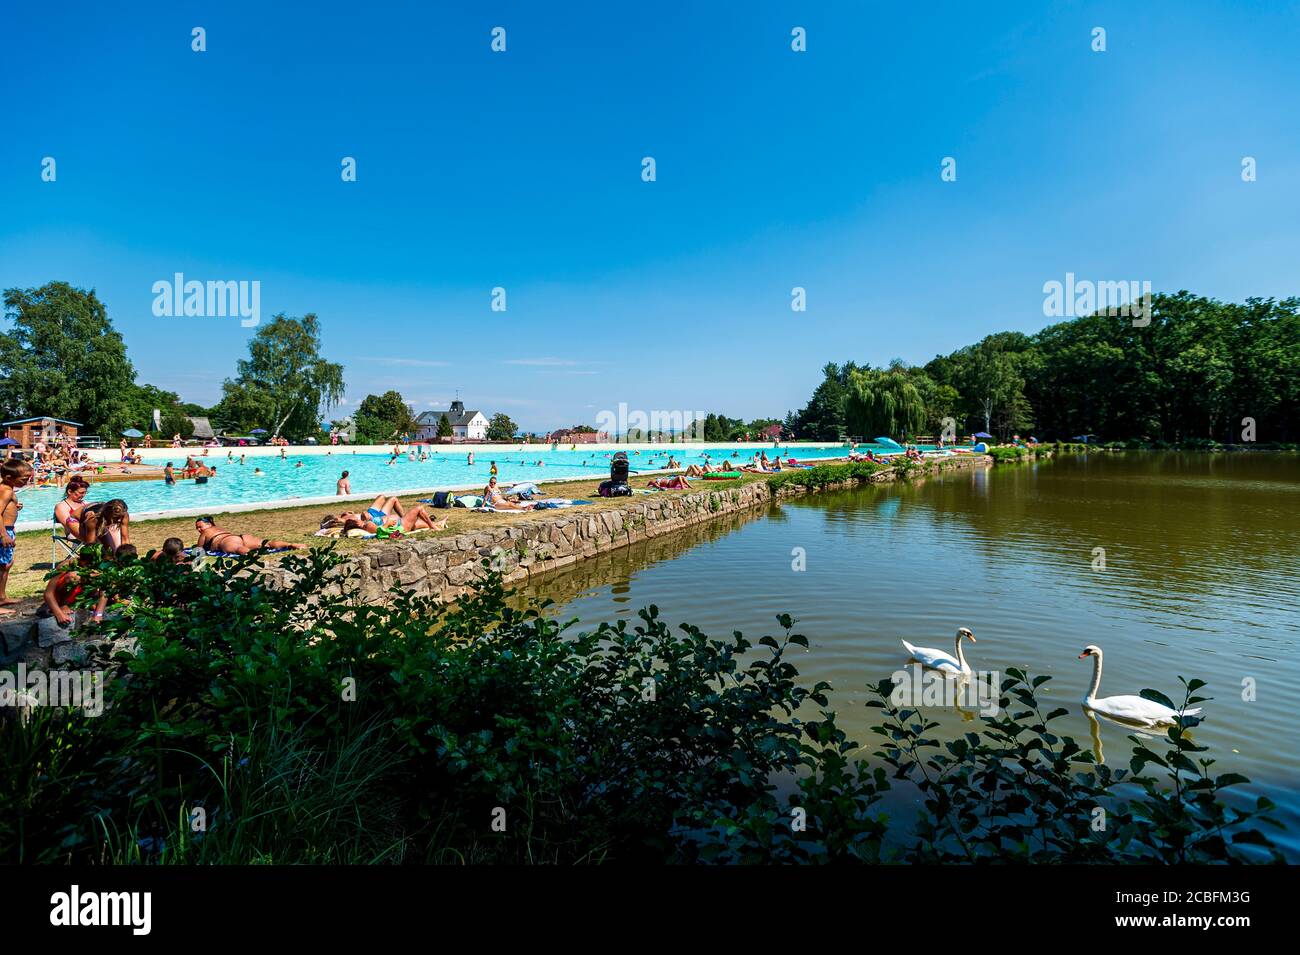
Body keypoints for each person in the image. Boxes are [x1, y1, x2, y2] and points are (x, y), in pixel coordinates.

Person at [0, 458, 33, 614]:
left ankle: (2, 596)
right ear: (8, 477)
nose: (27, 482)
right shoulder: (6, 490)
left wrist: (14, 506)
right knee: (2, 566)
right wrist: (4, 534)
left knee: (6, 564)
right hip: (2, 531)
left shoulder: (8, 489)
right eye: (24, 479)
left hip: (7, 529)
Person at [194, 516, 306, 555]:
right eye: (197, 528)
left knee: (238, 548)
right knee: (266, 544)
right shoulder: (218, 528)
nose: (199, 530)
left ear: (208, 524)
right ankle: (291, 544)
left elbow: (199, 548)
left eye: (200, 527)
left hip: (227, 541)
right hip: (241, 537)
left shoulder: (206, 532)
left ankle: (251, 555)